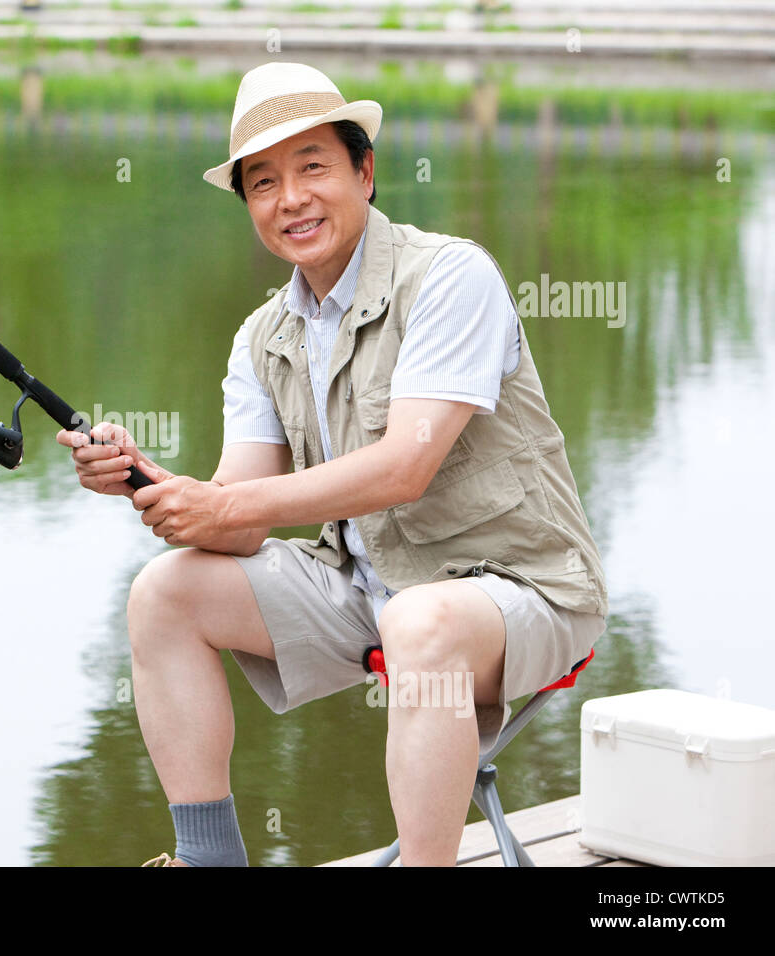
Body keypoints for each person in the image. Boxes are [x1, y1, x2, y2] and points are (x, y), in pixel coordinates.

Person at [55, 62, 608, 867]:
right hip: (367, 589)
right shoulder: (261, 335)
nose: (291, 199)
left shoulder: (452, 276)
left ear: (366, 171)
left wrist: (224, 509)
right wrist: (156, 483)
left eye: (313, 167)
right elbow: (238, 515)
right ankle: (209, 859)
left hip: (524, 592)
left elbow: (403, 469)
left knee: (424, 620)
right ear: (247, 204)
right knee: (165, 593)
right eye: (263, 183)